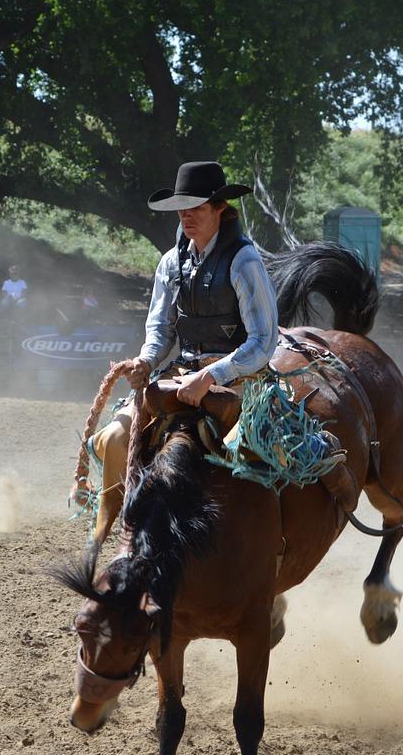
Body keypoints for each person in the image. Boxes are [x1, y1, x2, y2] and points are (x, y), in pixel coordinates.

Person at [86, 160, 279, 543]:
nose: (186, 215)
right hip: (179, 374)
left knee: (250, 454)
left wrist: (211, 376)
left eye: (197, 207)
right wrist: (146, 360)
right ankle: (115, 533)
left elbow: (263, 342)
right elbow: (160, 330)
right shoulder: (171, 262)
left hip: (240, 380)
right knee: (113, 438)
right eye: (182, 207)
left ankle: (270, 542)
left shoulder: (245, 262)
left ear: (220, 209)